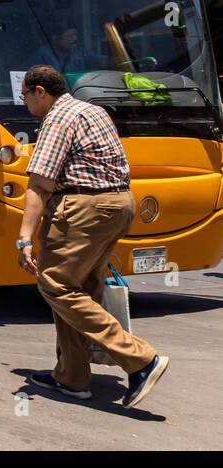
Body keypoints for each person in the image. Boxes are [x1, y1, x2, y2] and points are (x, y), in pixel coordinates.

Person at [17, 64, 168, 409]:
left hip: (83, 207)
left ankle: (141, 360)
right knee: (80, 289)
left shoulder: (57, 118)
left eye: (25, 95)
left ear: (41, 91)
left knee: (54, 285)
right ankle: (72, 377)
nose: (24, 102)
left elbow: (40, 182)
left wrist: (24, 238)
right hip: (119, 204)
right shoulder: (93, 109)